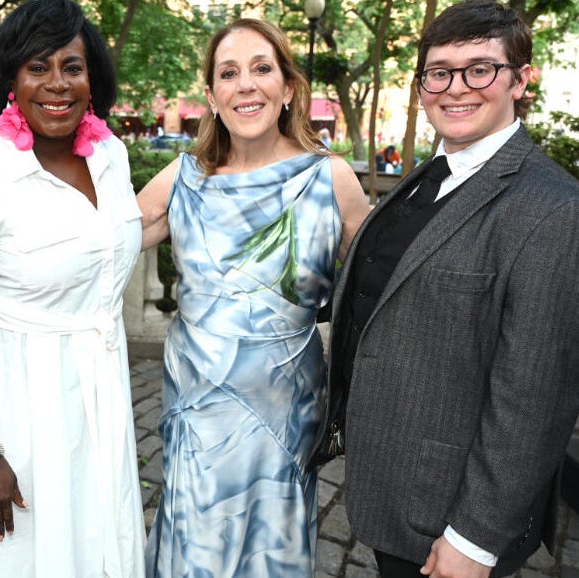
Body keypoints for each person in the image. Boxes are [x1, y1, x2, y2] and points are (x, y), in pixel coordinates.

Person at [327, 2, 579, 577]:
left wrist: (476, 539)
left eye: (479, 68)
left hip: (452, 515)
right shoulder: (423, 177)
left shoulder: (556, 212)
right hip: (393, 488)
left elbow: (537, 394)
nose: (456, 88)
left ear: (520, 81)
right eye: (439, 71)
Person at [0, 0, 146, 575]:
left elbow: (114, 242)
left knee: (94, 546)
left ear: (93, 77)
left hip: (100, 392)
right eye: (37, 68)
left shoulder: (111, 156)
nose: (57, 84)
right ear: (11, 81)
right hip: (14, 406)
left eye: (73, 66)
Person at [136, 18, 369, 577]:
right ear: (212, 97)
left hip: (286, 417)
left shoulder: (330, 178)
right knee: (193, 552)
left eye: (261, 68)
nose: (246, 84)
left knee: (273, 555)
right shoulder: (183, 178)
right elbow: (94, 244)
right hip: (197, 413)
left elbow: (381, 289)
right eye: (229, 73)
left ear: (288, 88)